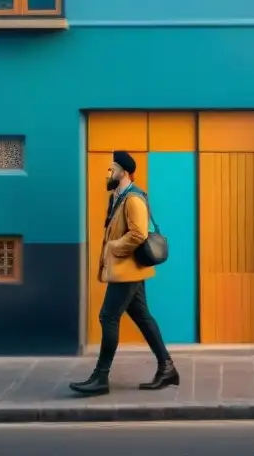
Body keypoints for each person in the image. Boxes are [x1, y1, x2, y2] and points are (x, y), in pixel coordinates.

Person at [69, 150, 178, 396]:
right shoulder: (118, 198)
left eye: (113, 169)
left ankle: (101, 377)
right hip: (127, 270)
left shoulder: (133, 199)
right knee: (142, 317)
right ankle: (167, 368)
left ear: (124, 172)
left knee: (108, 317)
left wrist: (114, 247)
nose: (109, 172)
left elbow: (138, 233)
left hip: (127, 270)